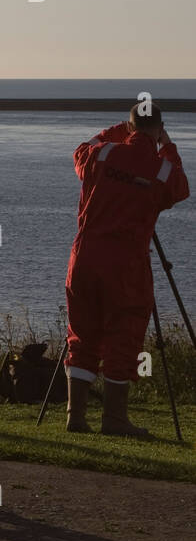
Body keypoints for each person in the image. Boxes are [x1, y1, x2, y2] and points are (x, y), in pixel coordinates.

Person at [64, 104, 188, 436]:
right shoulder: (161, 169)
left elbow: (82, 149)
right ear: (158, 128)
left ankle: (75, 416)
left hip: (85, 257)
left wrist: (120, 130)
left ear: (130, 127)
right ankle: (114, 419)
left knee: (81, 334)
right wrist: (167, 145)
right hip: (126, 264)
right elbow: (181, 186)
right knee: (124, 334)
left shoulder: (102, 154)